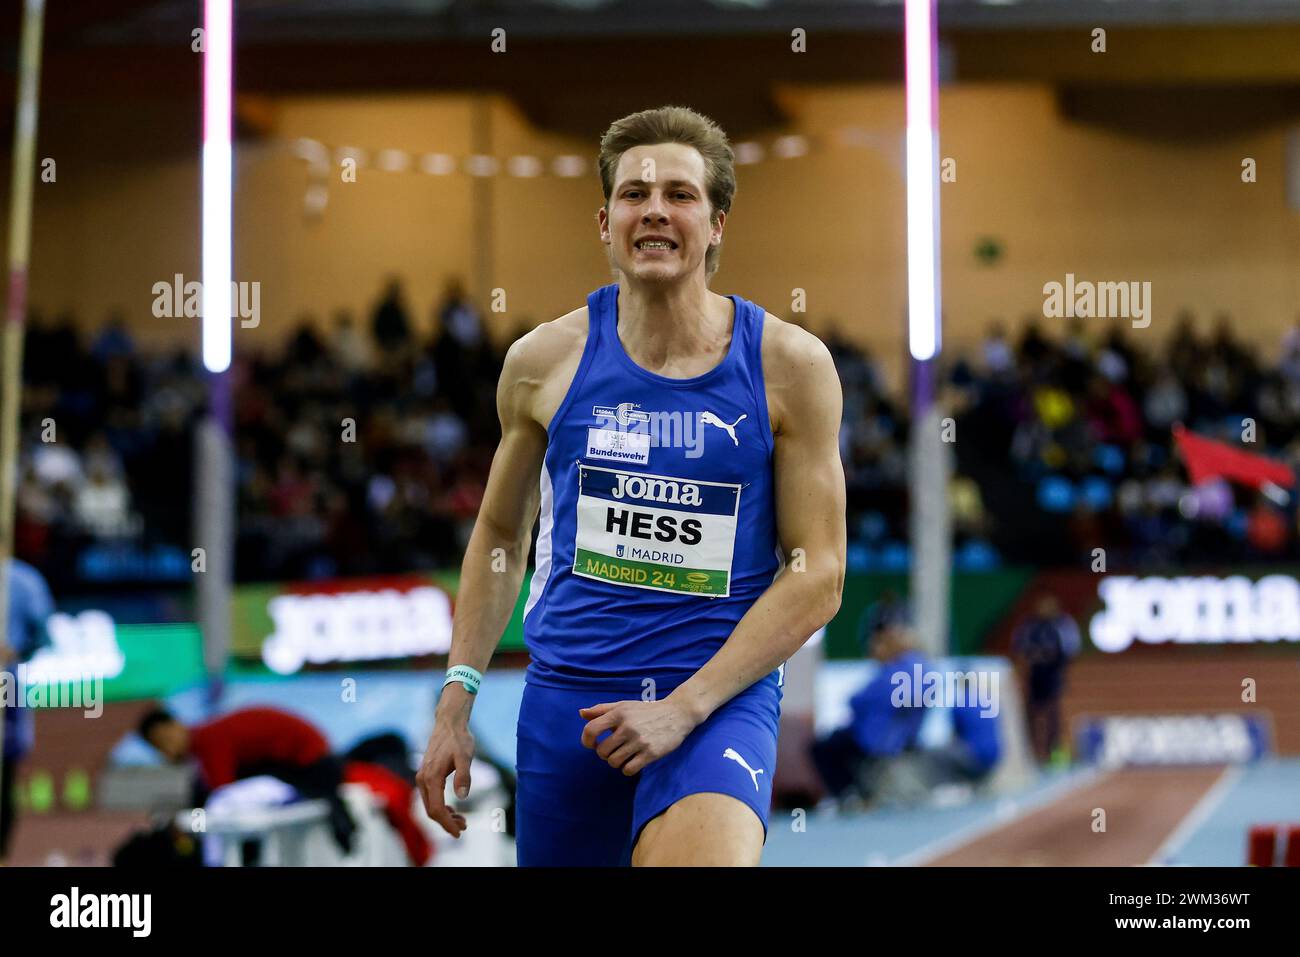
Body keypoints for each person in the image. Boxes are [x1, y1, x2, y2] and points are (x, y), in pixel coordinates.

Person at [417, 105, 846, 867]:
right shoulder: (541, 362)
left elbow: (819, 573)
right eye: (634, 193)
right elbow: (501, 535)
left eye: (680, 194)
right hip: (568, 705)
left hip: (715, 700)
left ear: (716, 224)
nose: (655, 209)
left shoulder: (790, 366)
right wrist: (458, 692)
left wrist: (683, 708)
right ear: (604, 220)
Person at [139, 706, 357, 854]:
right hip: (314, 765)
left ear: (176, 725)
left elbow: (223, 798)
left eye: (165, 740)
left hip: (315, 768)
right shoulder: (207, 743)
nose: (167, 750)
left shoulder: (209, 741)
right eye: (160, 747)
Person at [810, 622, 930, 806]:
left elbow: (856, 700)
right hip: (902, 739)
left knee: (824, 748)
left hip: (879, 741)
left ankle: (848, 794)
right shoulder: (918, 668)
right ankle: (857, 793)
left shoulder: (899, 670)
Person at [0, 557, 55, 863]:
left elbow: (42, 631)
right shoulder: (26, 578)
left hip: (6, 681)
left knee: (6, 773)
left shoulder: (21, 580)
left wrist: (15, 651)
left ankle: (3, 855)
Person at [1011, 594, 1081, 763]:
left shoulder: (1063, 624)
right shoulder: (1030, 625)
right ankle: (1030, 753)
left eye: (1048, 605)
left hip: (1053, 675)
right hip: (1034, 675)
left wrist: (1052, 659)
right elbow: (1019, 647)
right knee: (1030, 715)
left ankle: (1054, 752)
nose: (1044, 609)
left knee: (1053, 716)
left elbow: (1071, 648)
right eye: (1042, 605)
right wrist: (1031, 658)